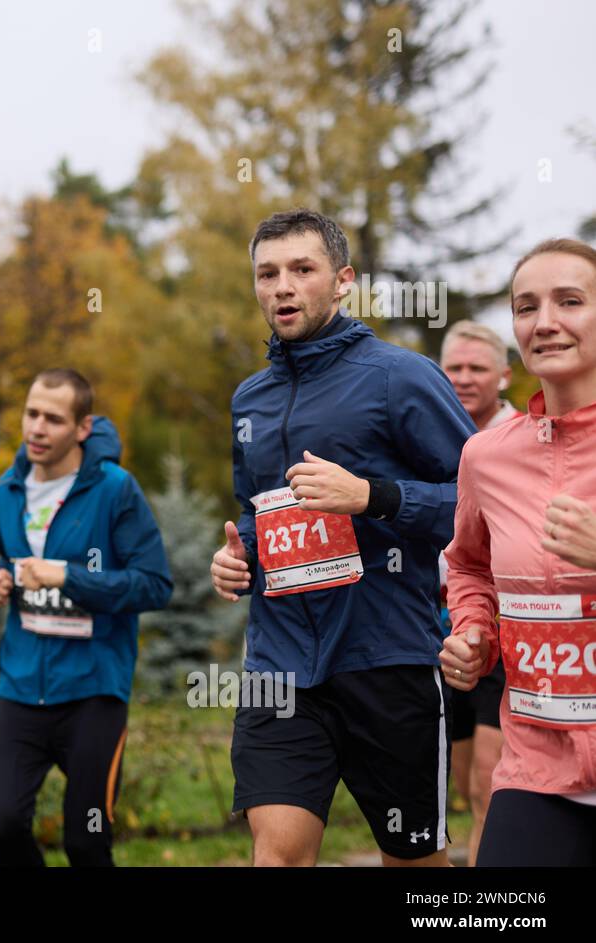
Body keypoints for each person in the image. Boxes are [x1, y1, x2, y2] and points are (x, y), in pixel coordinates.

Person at [209, 209, 475, 867]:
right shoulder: (250, 399)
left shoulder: (399, 377)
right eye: (267, 273)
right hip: (281, 662)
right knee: (278, 855)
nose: (282, 287)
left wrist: (373, 496)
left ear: (342, 280)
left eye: (302, 269)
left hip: (385, 658)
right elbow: (260, 510)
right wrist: (237, 554)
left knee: (411, 863)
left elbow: (480, 506)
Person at [441, 238, 596, 866]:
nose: (545, 322)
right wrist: (475, 629)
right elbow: (468, 564)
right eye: (526, 306)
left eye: (570, 301)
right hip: (537, 769)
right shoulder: (487, 456)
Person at [0, 369, 172, 866]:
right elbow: (15, 563)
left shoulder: (114, 489)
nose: (38, 429)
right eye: (32, 414)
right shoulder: (7, 492)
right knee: (0, 826)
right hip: (21, 688)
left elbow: (154, 585)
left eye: (54, 419)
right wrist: (1, 580)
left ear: (83, 428)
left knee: (86, 842)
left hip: (93, 693)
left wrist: (69, 577)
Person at [437, 320, 523, 864]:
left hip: (511, 628)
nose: (464, 378)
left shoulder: (523, 440)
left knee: (489, 789)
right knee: (462, 786)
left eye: (477, 368)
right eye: (454, 368)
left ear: (504, 375)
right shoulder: (430, 433)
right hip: (446, 630)